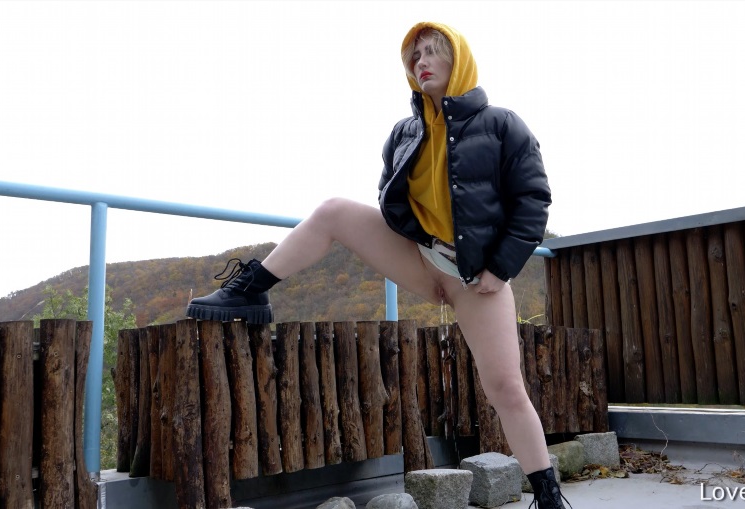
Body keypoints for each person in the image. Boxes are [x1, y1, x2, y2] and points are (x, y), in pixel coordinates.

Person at [186, 22, 567, 509]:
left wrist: (500, 267)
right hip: (419, 255)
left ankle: (548, 495)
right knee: (333, 211)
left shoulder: (502, 125)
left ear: (458, 59)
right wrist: (412, 241)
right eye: (414, 57)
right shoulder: (406, 132)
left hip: (476, 275)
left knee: (506, 388)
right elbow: (390, 197)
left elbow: (533, 201)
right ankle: (251, 288)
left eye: (432, 52)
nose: (421, 62)